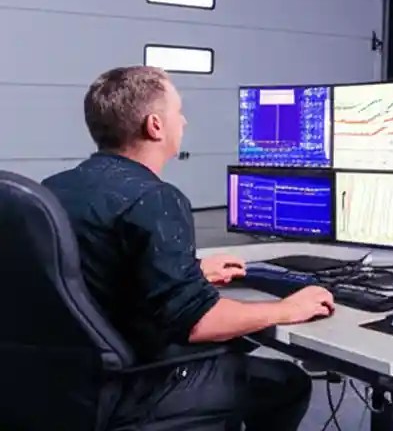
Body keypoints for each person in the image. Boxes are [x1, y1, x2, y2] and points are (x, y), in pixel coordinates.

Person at [42, 65, 335, 430]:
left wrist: (192, 273)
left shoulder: (54, 189)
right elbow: (199, 323)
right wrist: (288, 308)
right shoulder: (155, 199)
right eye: (178, 112)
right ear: (155, 126)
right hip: (128, 388)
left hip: (59, 383)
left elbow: (92, 273)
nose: (185, 122)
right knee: (287, 382)